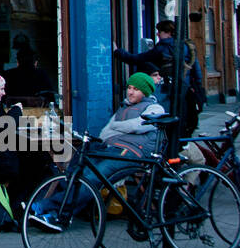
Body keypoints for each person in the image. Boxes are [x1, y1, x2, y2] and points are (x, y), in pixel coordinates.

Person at [28, 72, 165, 229]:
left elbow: (138, 126)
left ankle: (49, 209)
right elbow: (105, 134)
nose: (131, 92)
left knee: (91, 179)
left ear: (145, 91)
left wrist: (117, 127)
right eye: (129, 87)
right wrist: (121, 130)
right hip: (111, 148)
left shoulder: (154, 107)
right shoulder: (124, 107)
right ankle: (57, 212)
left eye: (136, 89)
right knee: (78, 173)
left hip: (132, 153)